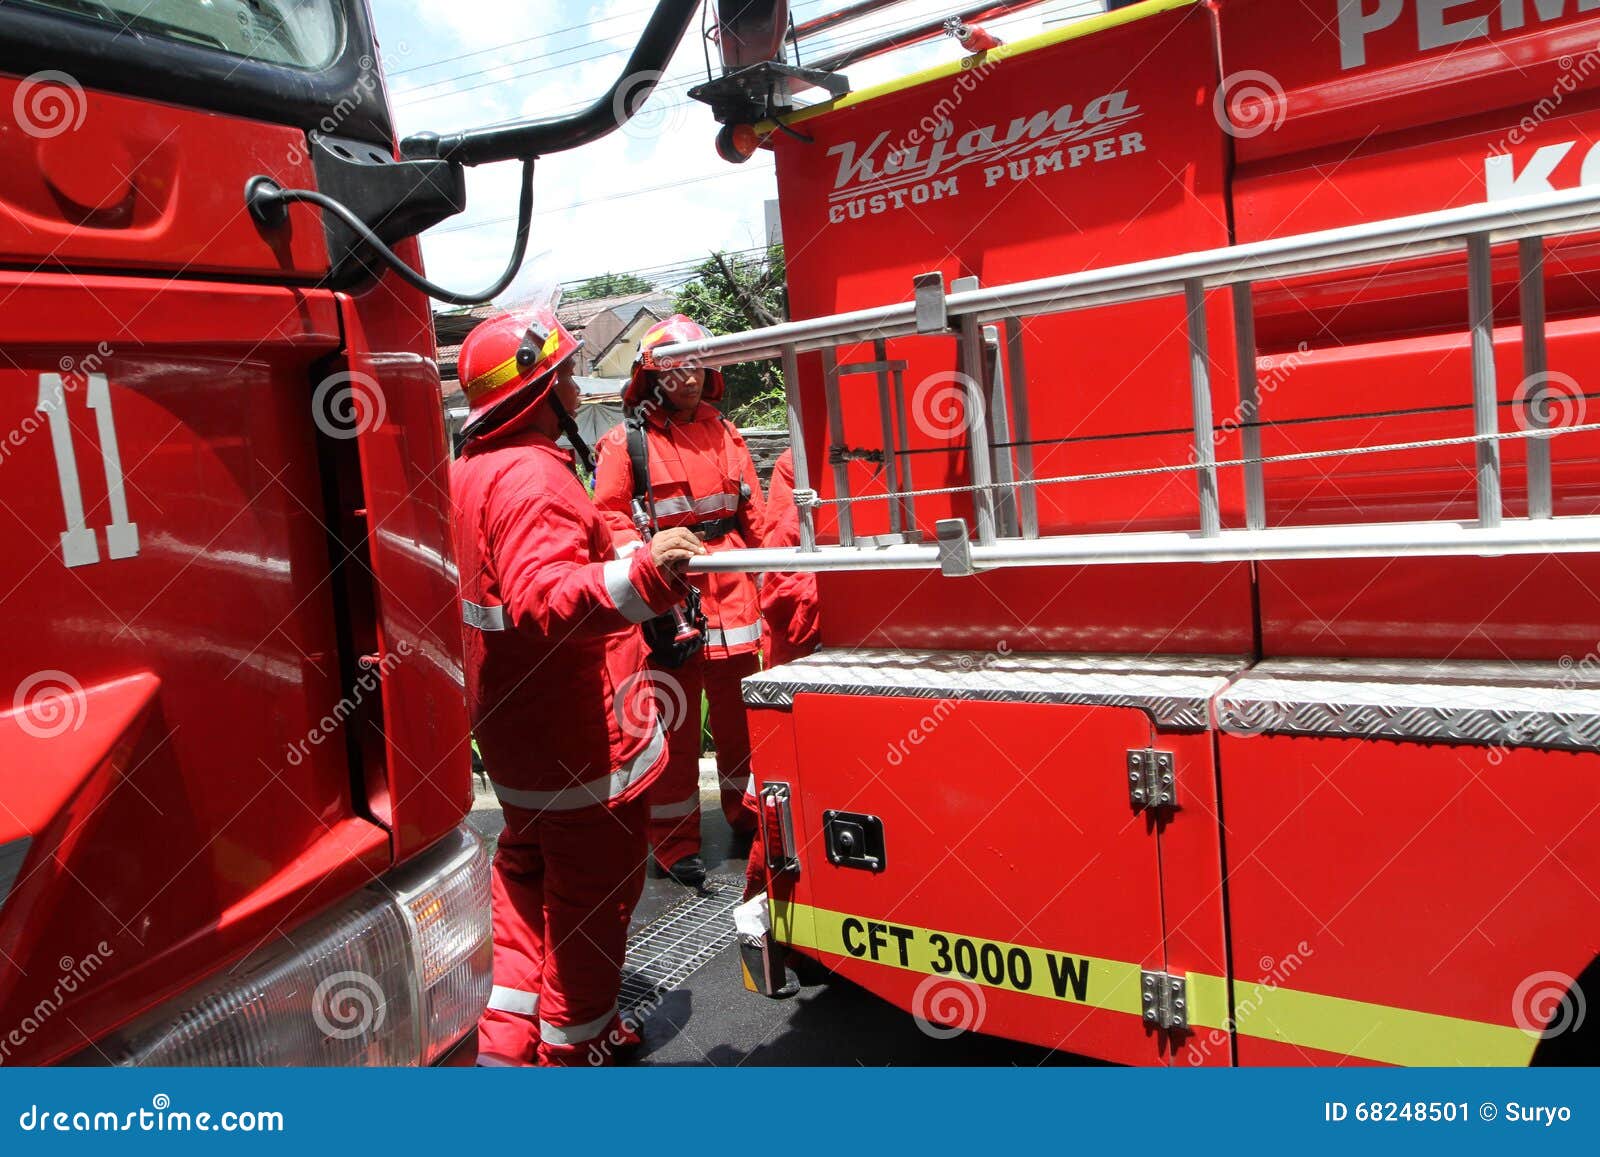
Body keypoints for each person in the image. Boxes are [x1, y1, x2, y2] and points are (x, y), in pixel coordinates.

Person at [451, 305, 706, 1066]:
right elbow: (542, 599)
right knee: (590, 912)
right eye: (562, 370)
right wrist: (650, 572)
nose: (572, 378)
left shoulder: (473, 470)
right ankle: (578, 1049)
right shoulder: (535, 476)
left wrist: (621, 550)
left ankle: (504, 1055)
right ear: (539, 389)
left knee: (527, 897)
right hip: (583, 751)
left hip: (522, 746)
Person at [593, 314, 767, 890]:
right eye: (673, 370)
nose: (687, 379)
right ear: (651, 377)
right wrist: (645, 556)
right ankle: (673, 843)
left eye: (695, 366)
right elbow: (609, 515)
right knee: (674, 724)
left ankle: (746, 817)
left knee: (744, 722)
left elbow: (755, 517)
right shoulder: (626, 441)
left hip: (735, 599)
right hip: (670, 600)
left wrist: (780, 578)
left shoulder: (729, 433)